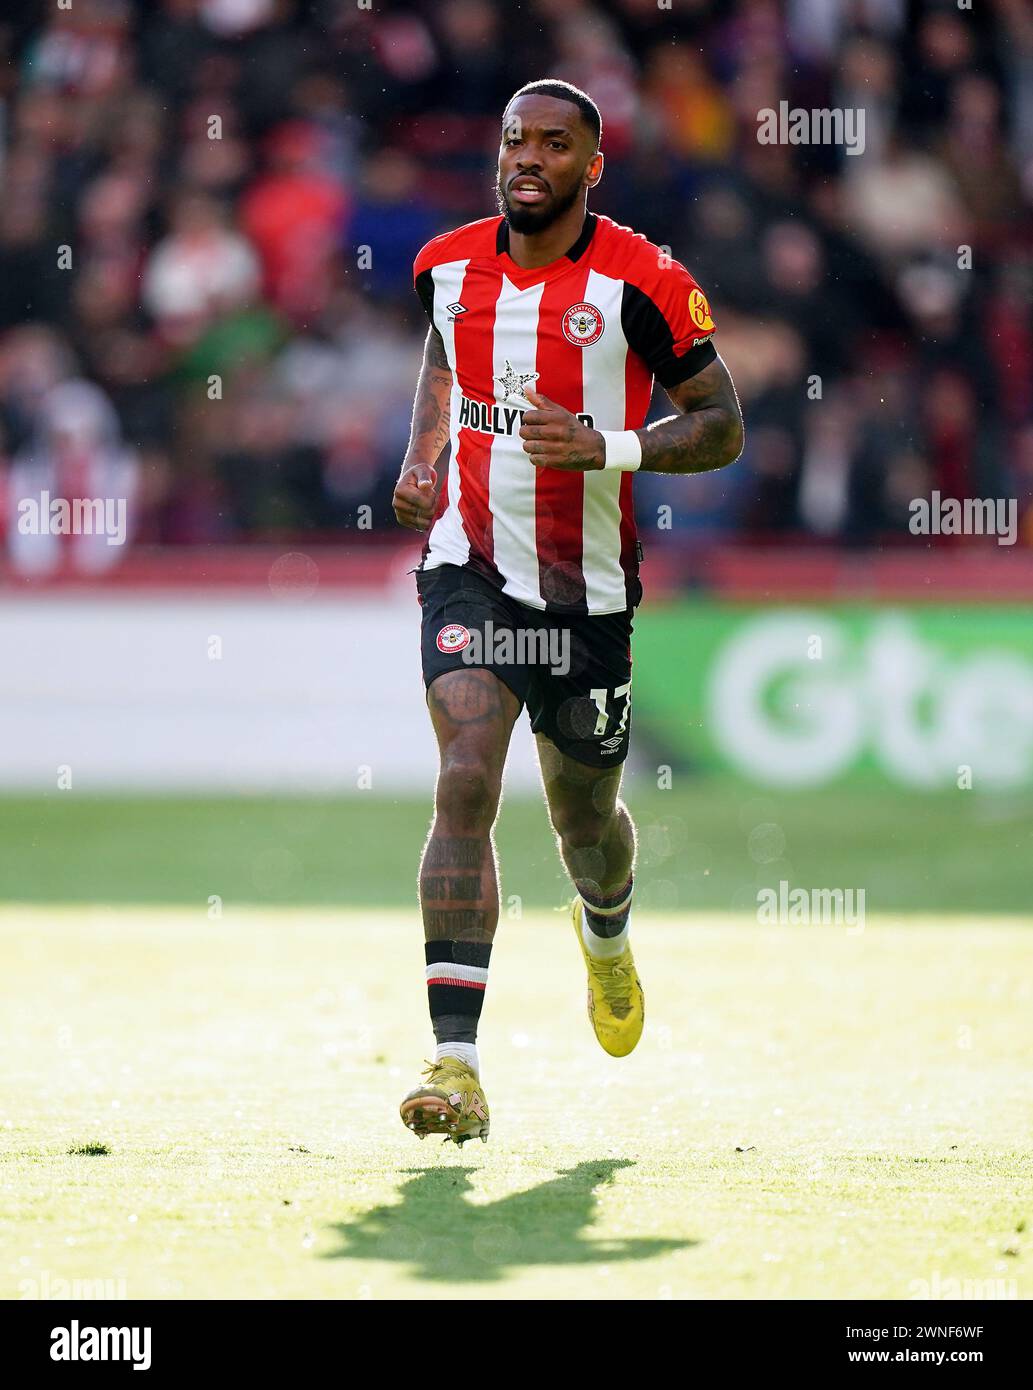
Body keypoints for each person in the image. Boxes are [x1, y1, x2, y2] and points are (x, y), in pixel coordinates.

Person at [392, 79, 744, 1145]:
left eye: (554, 144)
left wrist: (613, 446)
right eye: (514, 141)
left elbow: (721, 422)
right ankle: (455, 1064)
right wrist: (425, 451)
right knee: (463, 778)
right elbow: (443, 354)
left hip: (587, 602)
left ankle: (604, 932)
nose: (528, 158)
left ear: (593, 167)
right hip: (471, 571)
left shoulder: (645, 281)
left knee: (583, 824)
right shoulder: (443, 265)